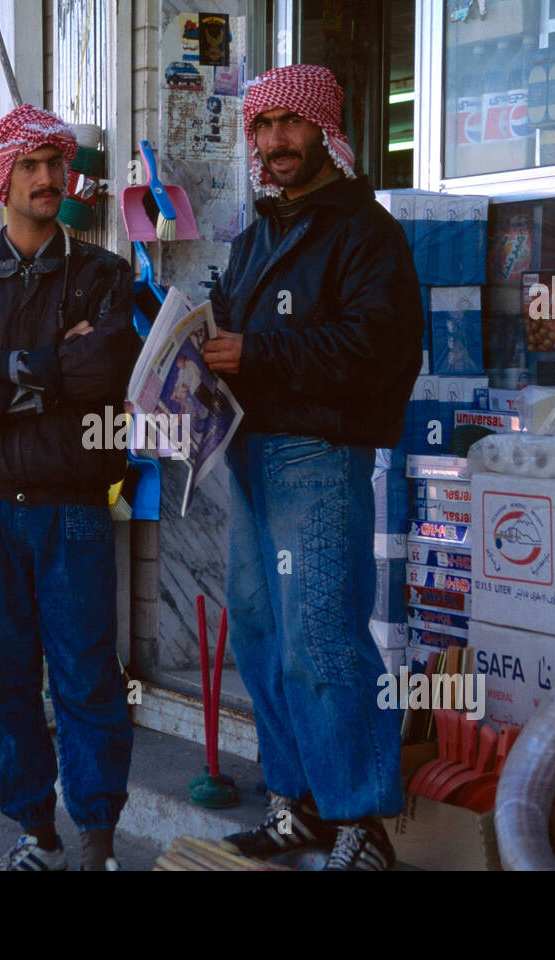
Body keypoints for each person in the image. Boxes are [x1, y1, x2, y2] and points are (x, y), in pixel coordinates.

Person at [202, 64, 423, 870]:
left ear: (324, 130)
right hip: (252, 453)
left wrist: (256, 351)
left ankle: (361, 822)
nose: (274, 142)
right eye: (262, 127)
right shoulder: (259, 232)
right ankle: (297, 806)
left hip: (319, 456)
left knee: (322, 639)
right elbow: (232, 331)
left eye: (290, 125)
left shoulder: (364, 231)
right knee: (262, 635)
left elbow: (379, 346)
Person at [0, 104, 140, 871]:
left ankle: (96, 840)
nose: (50, 178)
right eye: (32, 166)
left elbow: (104, 377)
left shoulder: (109, 278)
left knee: (87, 677)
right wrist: (49, 371)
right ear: (1, 178)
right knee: (3, 678)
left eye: (57, 163)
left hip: (73, 508)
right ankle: (33, 833)